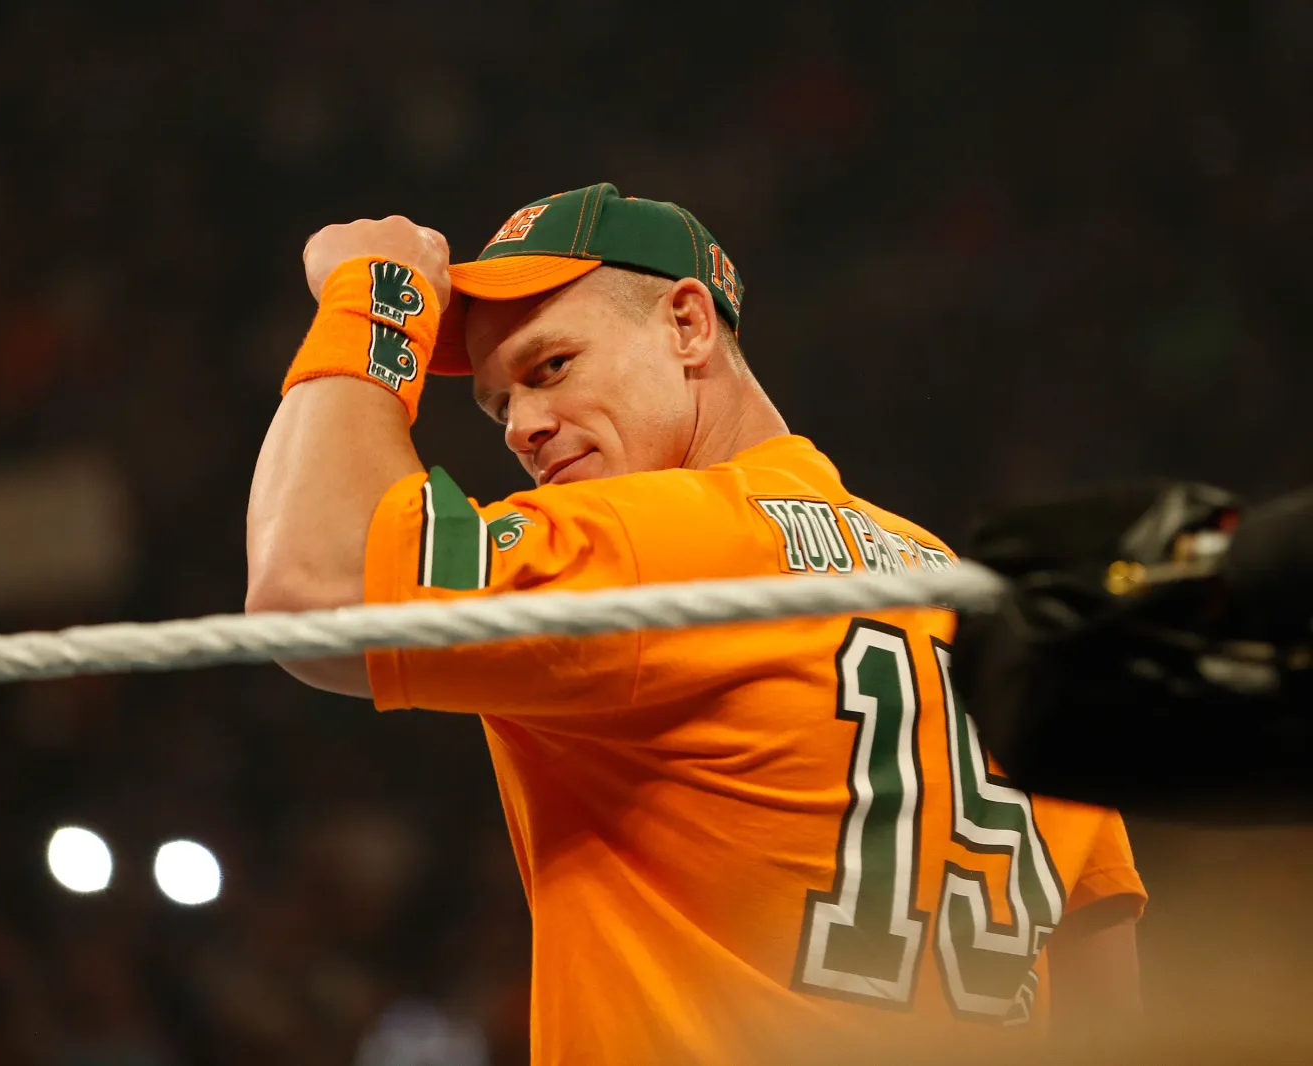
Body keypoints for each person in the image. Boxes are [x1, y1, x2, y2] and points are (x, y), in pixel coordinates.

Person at [245, 183, 1145, 1064]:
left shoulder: (666, 539)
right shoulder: (998, 616)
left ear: (688, 324)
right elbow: (1114, 1010)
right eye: (498, 405)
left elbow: (314, 584)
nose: (521, 427)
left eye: (551, 367)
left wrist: (374, 297)